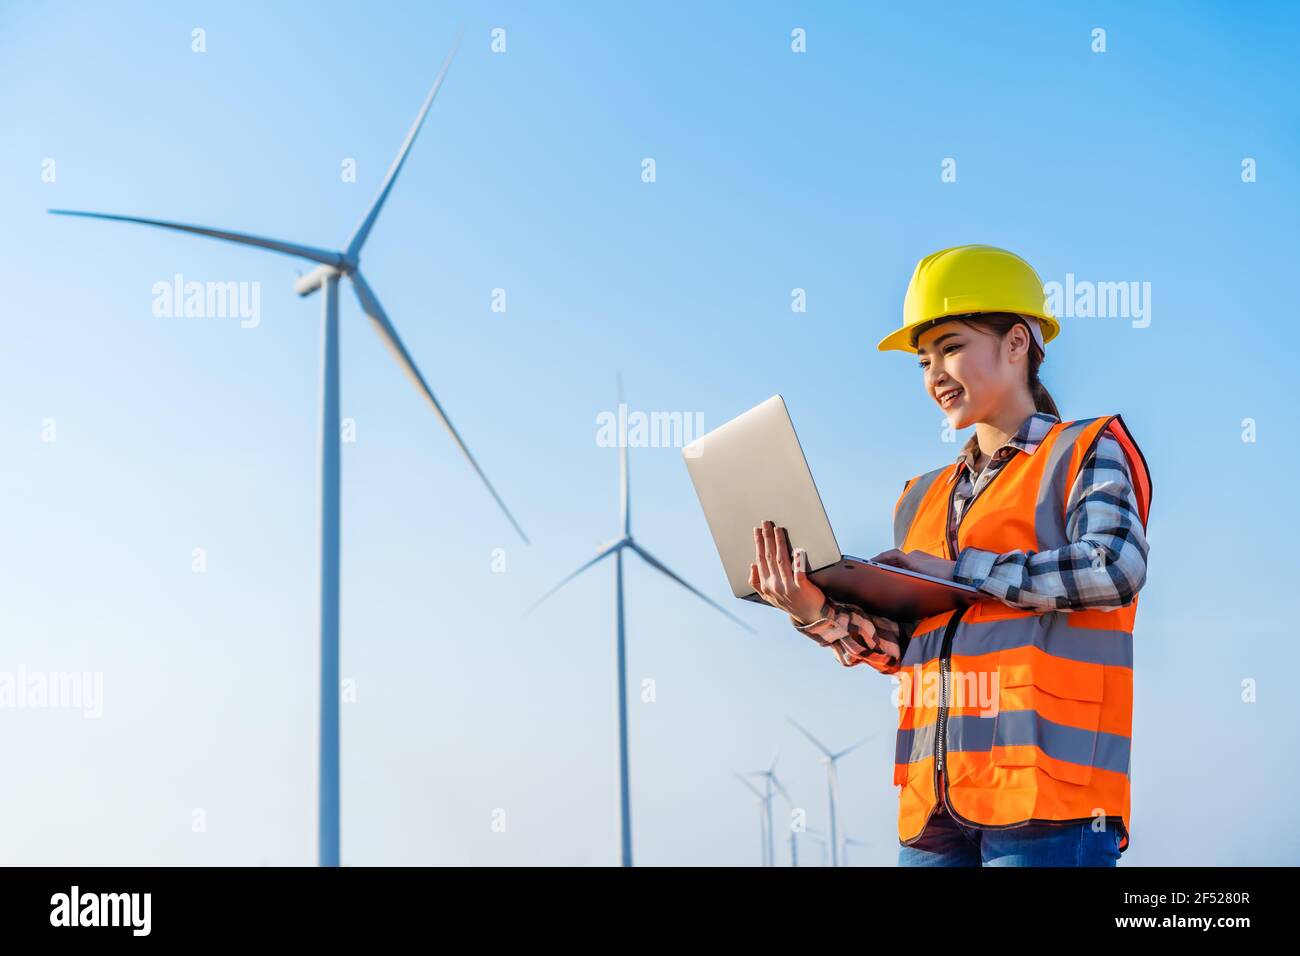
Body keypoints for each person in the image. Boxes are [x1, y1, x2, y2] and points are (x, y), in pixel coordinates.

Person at [749, 245, 1153, 867]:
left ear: (1017, 343)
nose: (934, 372)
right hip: (935, 810)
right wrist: (814, 610)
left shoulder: (1085, 450)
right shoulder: (920, 498)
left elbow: (1114, 566)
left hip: (1049, 802)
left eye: (951, 346)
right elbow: (907, 648)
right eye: (922, 360)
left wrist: (962, 572)